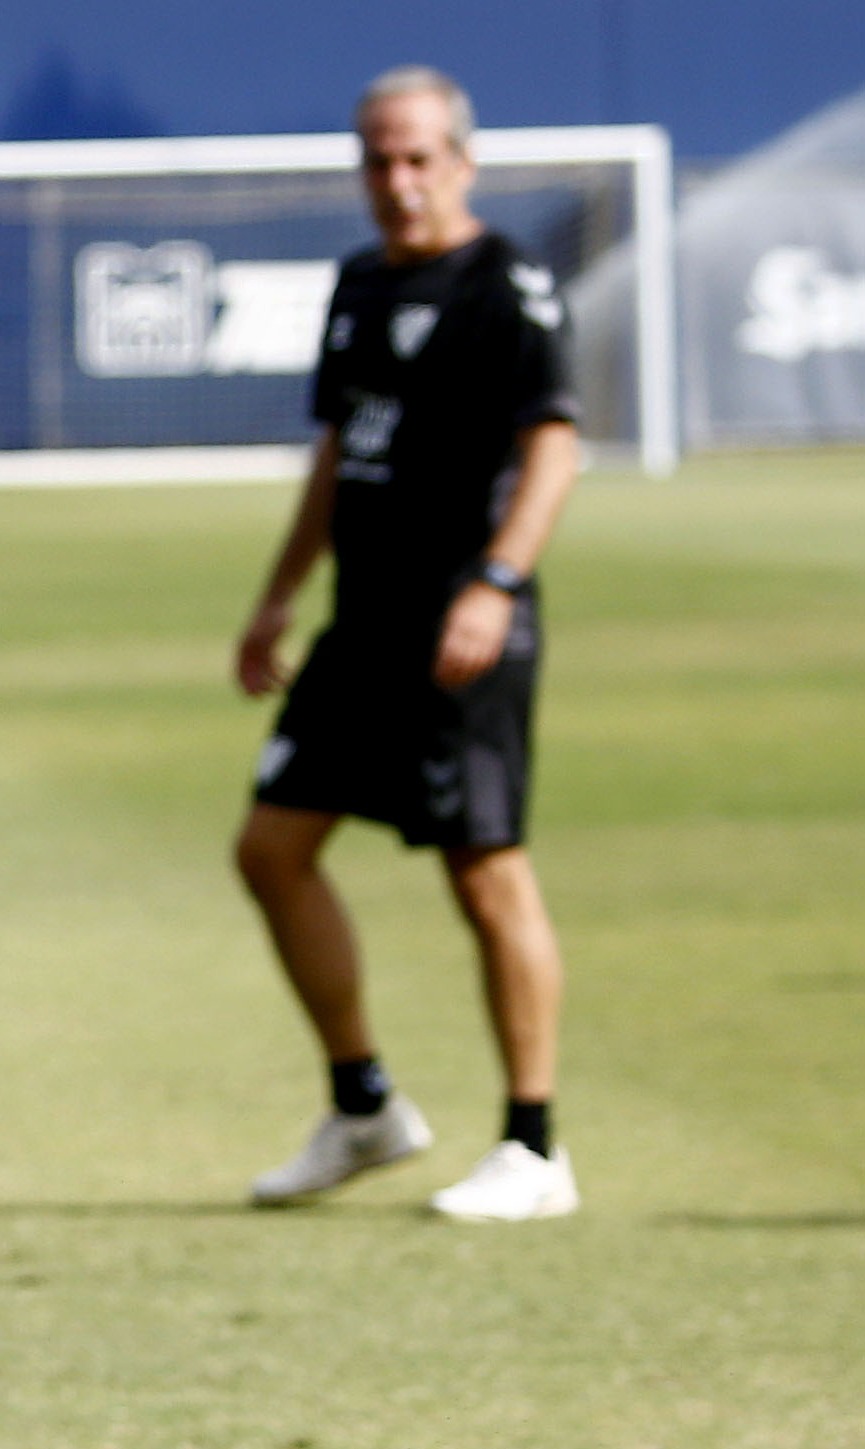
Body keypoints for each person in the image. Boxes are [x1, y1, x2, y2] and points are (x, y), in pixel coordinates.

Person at [232, 65, 583, 1221]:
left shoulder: (507, 283)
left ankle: (534, 1148)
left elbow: (552, 449)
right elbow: (341, 452)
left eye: (419, 155)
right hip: (361, 626)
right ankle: (363, 1103)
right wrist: (281, 593)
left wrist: (494, 582)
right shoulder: (357, 284)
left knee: (484, 870)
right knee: (271, 848)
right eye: (378, 157)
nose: (397, 178)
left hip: (462, 627)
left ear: (462, 161)